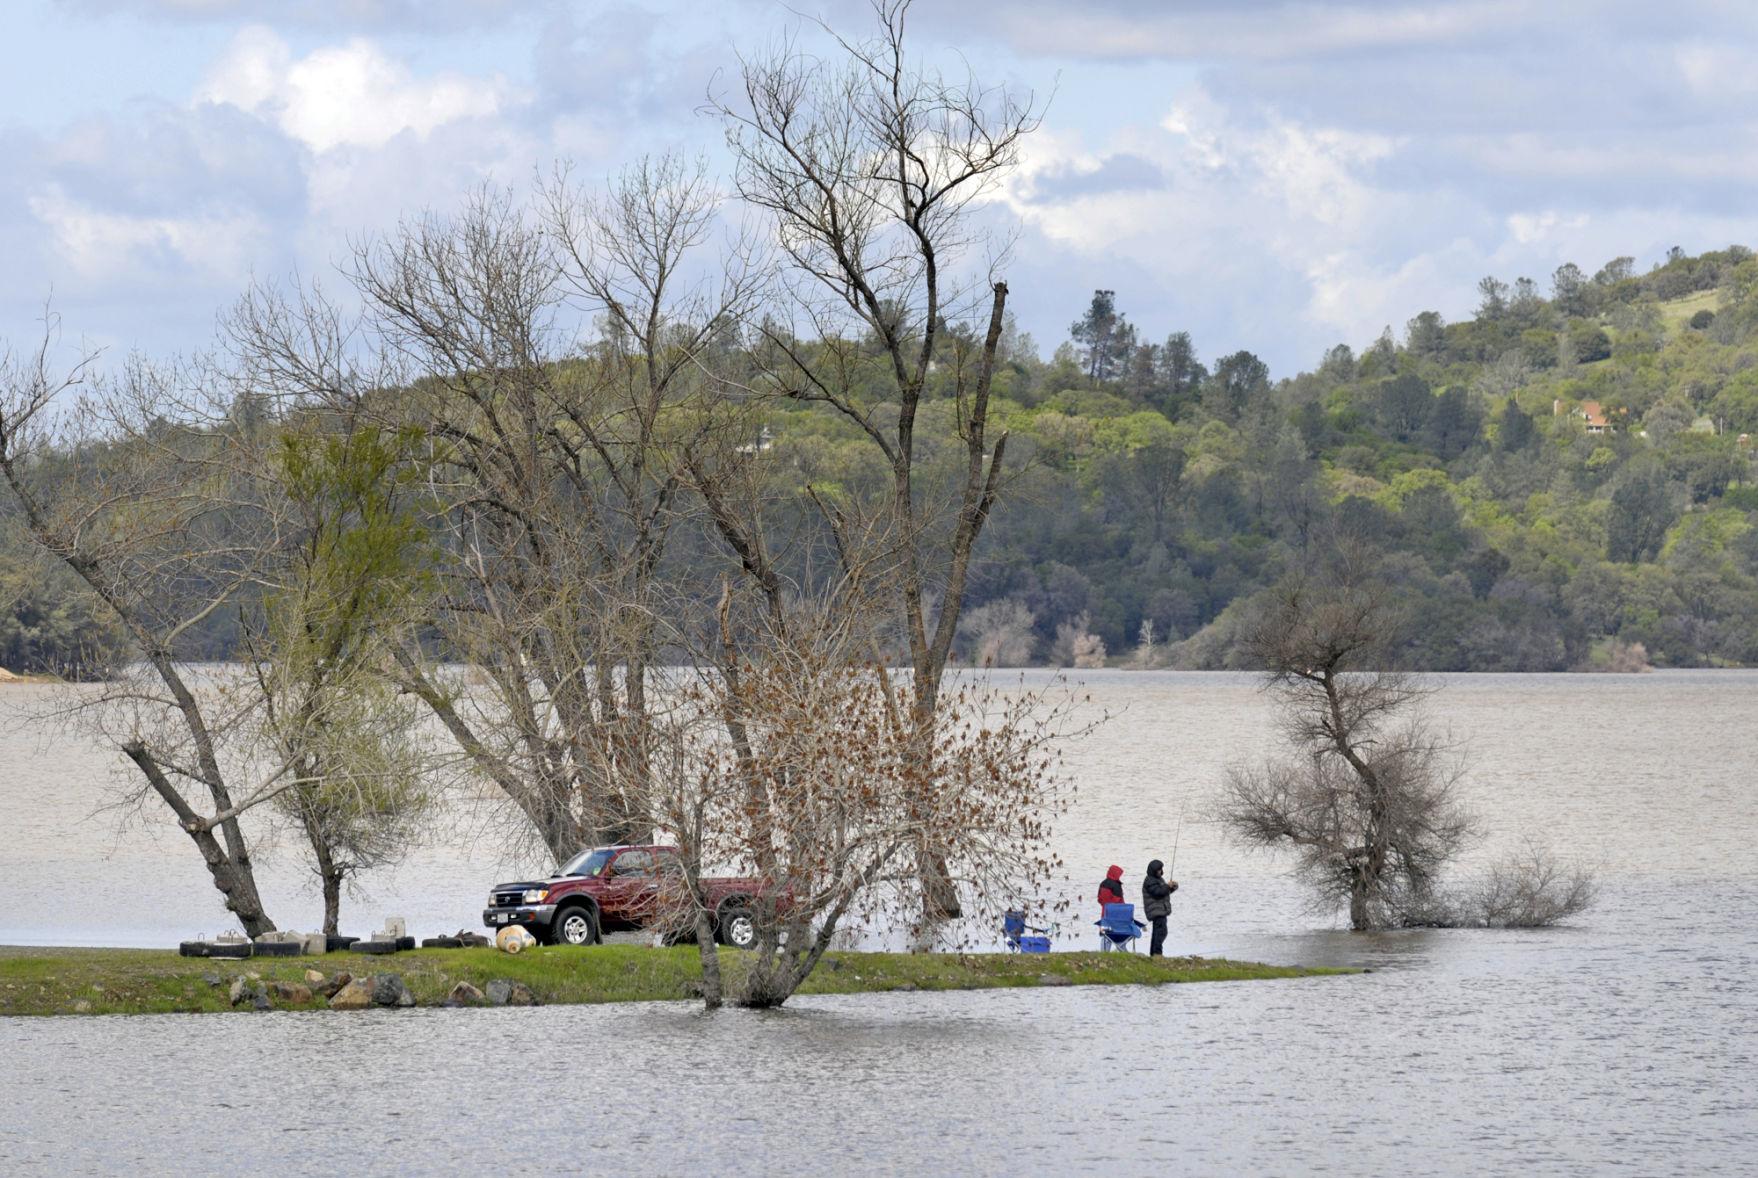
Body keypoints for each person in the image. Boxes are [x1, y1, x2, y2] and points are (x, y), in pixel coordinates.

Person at [1141, 859, 1179, 957]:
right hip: (1156, 911)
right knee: (1161, 932)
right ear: (1153, 870)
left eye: (1161, 869)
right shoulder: (1149, 881)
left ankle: (1154, 954)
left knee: (1157, 933)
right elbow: (1158, 893)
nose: (1160, 871)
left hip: (1160, 910)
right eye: (1158, 869)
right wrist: (1167, 886)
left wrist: (1172, 887)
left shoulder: (1158, 879)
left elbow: (1164, 891)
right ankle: (1158, 954)